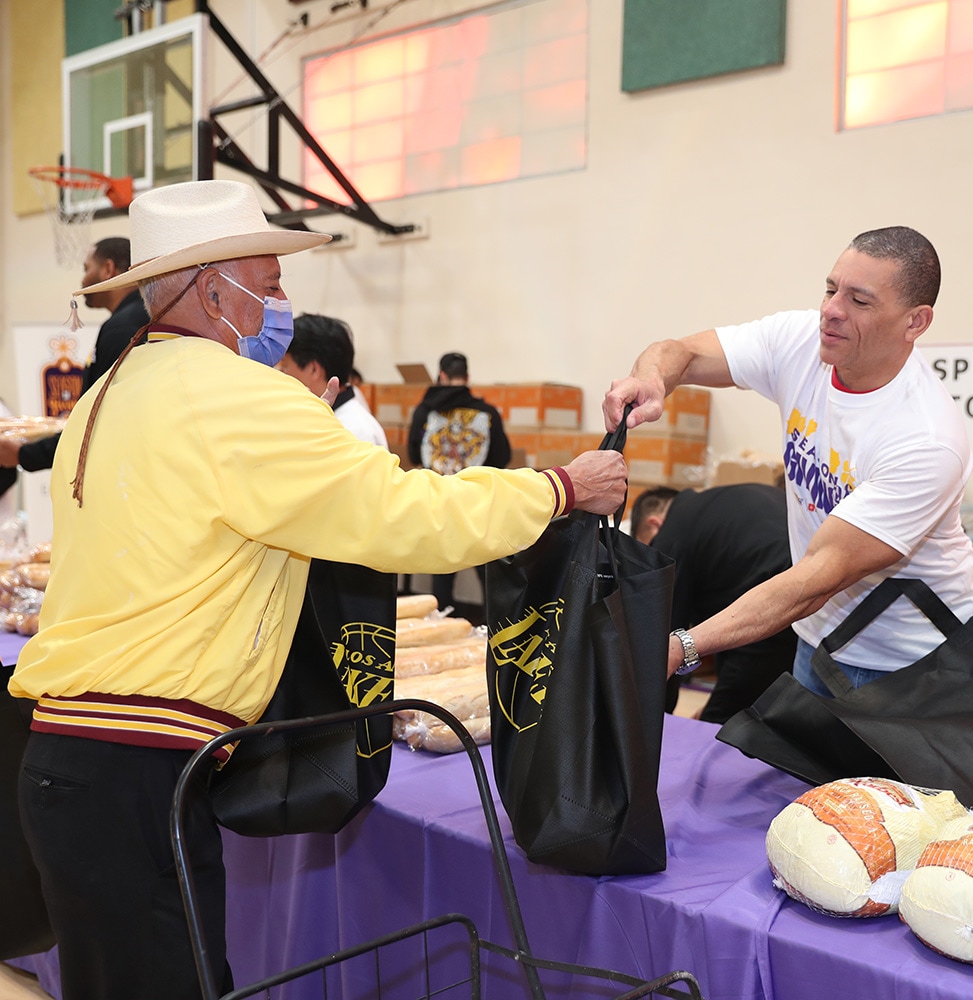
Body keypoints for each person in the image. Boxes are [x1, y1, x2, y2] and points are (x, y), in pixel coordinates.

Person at [9, 178, 626, 1000]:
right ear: (210, 285)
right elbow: (405, 514)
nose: (281, 305)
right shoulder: (235, 397)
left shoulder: (109, 396)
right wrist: (557, 488)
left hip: (67, 759)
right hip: (139, 770)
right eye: (267, 286)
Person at [605, 226, 973, 695]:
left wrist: (681, 646)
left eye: (859, 301)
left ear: (915, 322)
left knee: (873, 774)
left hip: (915, 663)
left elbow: (815, 577)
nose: (831, 310)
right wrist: (652, 379)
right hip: (821, 641)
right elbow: (682, 354)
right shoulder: (801, 342)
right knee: (808, 771)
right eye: (831, 289)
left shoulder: (926, 439)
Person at [630, 483, 796, 723]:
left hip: (770, 608)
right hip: (808, 600)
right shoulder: (720, 503)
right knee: (760, 714)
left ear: (655, 525)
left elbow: (666, 636)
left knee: (721, 726)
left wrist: (658, 721)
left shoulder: (671, 537)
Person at [0, 238, 149, 474]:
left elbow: (98, 422)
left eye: (86, 268)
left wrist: (23, 454)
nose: (83, 279)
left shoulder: (122, 327)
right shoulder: (140, 316)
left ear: (108, 269)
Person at [407, 352, 511, 609]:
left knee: (442, 572)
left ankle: (442, 630)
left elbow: (412, 453)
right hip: (477, 502)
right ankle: (492, 633)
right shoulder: (487, 413)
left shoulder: (426, 410)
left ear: (441, 376)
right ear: (467, 377)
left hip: (440, 502)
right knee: (487, 571)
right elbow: (503, 456)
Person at [276, 313, 388, 446]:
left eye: (285, 366)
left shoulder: (355, 431)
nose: (281, 374)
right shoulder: (324, 419)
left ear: (314, 369)